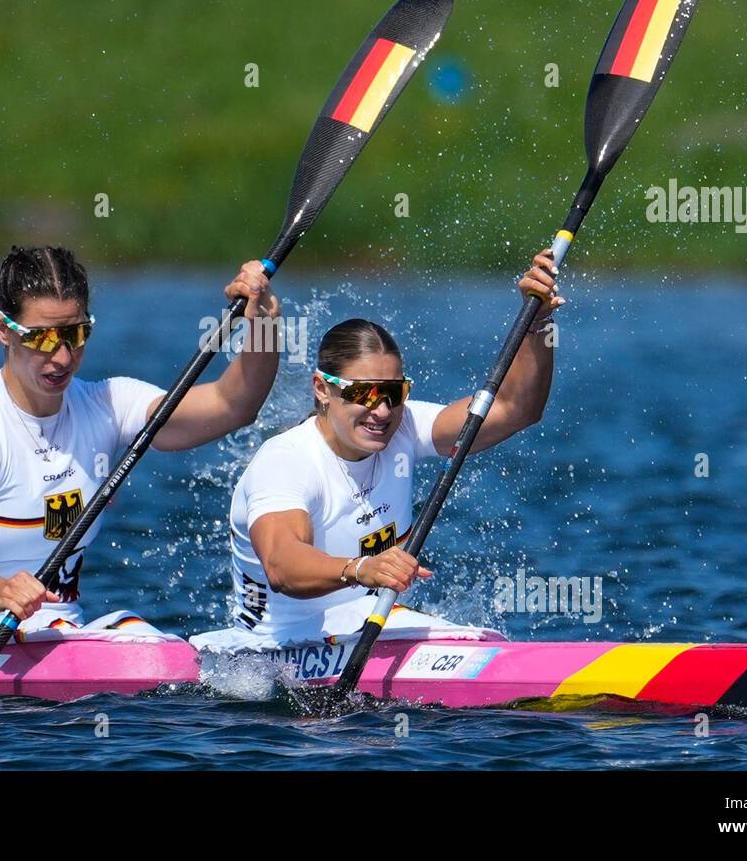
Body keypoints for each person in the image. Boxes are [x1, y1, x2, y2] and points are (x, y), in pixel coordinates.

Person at [0, 245, 280, 652]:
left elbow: (234, 406)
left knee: (158, 646)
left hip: (58, 633)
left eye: (75, 334)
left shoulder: (106, 405)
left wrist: (263, 325)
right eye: (42, 338)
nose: (62, 357)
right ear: (2, 329)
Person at [192, 249, 562, 653]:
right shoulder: (287, 461)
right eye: (363, 393)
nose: (382, 411)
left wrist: (537, 321)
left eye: (392, 392)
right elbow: (283, 566)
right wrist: (363, 569)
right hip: (274, 653)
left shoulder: (403, 426)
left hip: (362, 629)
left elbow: (515, 409)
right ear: (322, 389)